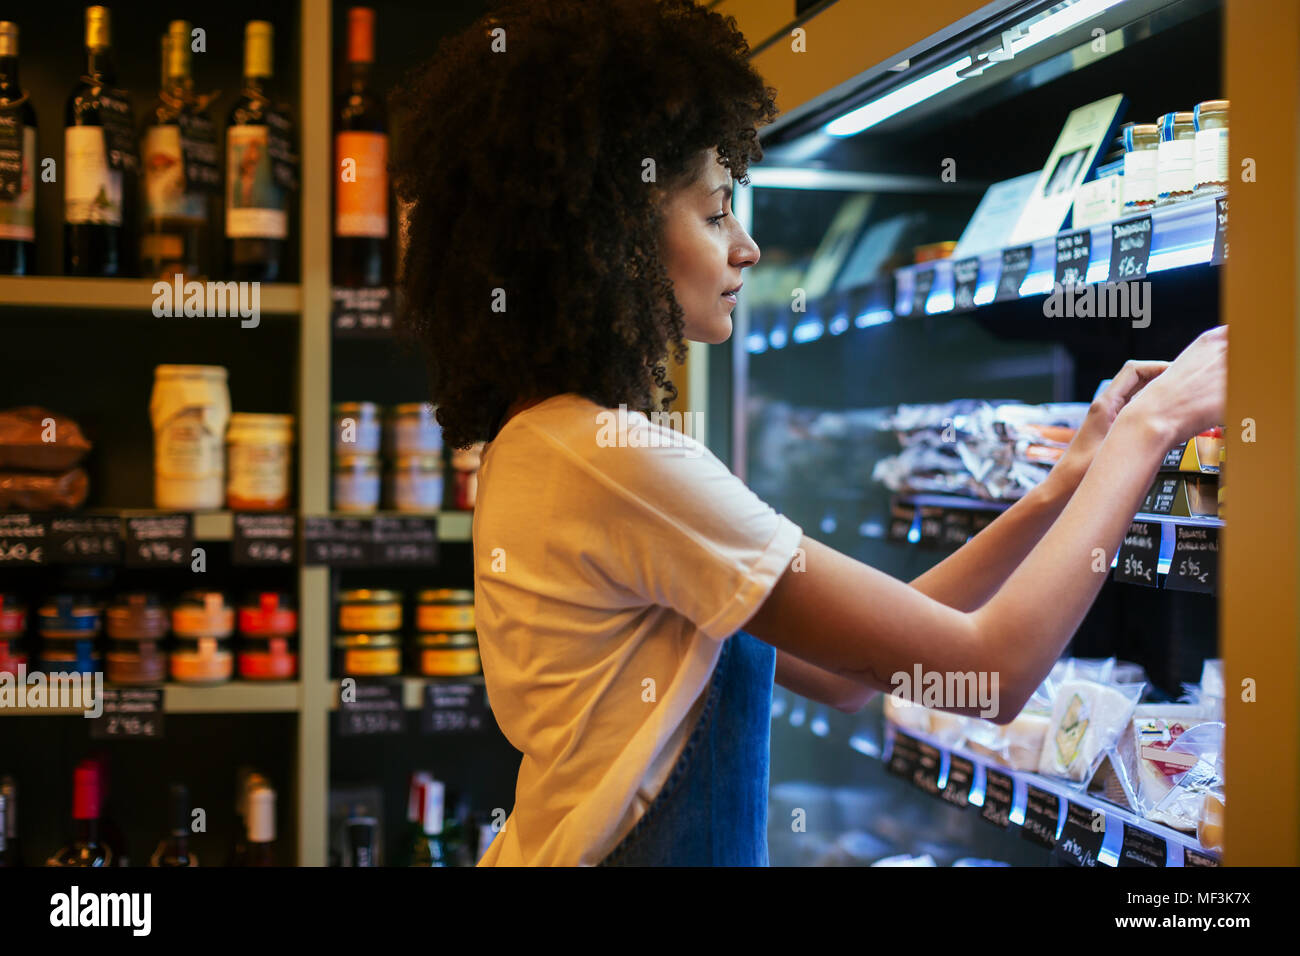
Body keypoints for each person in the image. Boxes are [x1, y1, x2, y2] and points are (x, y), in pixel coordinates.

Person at [390, 0, 1228, 867]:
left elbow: (844, 675)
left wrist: (1063, 486)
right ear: (611, 235)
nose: (747, 248)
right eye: (716, 213)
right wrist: (1154, 429)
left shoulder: (546, 444)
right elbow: (993, 673)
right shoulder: (614, 464)